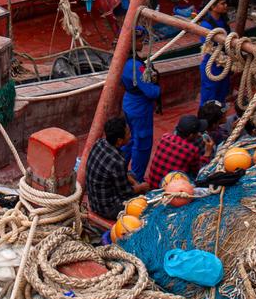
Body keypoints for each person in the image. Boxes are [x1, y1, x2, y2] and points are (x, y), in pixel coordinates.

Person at [86, 117, 149, 219]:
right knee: (142, 201)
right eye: (128, 134)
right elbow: (126, 192)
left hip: (94, 200)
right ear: (119, 141)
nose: (130, 136)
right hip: (107, 209)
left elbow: (121, 175)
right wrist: (141, 187)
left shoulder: (99, 143)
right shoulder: (118, 162)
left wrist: (134, 182)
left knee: (132, 176)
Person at [121, 27, 161, 180]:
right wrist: (156, 86)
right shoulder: (135, 66)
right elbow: (151, 92)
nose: (142, 43)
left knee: (129, 140)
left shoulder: (123, 60)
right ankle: (137, 178)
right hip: (140, 107)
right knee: (142, 143)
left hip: (129, 102)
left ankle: (122, 171)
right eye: (139, 40)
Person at [144, 115, 210, 189]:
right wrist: (207, 153)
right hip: (167, 189)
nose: (199, 134)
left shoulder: (165, 137)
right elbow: (198, 171)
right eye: (198, 132)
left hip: (153, 184)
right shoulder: (191, 150)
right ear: (191, 135)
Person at [197, 0, 232, 106]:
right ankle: (206, 120)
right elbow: (208, 46)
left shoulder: (223, 22)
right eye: (222, 3)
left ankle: (220, 119)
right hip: (211, 65)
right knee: (209, 98)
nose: (225, 6)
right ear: (212, 6)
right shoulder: (206, 25)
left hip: (223, 65)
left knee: (222, 95)